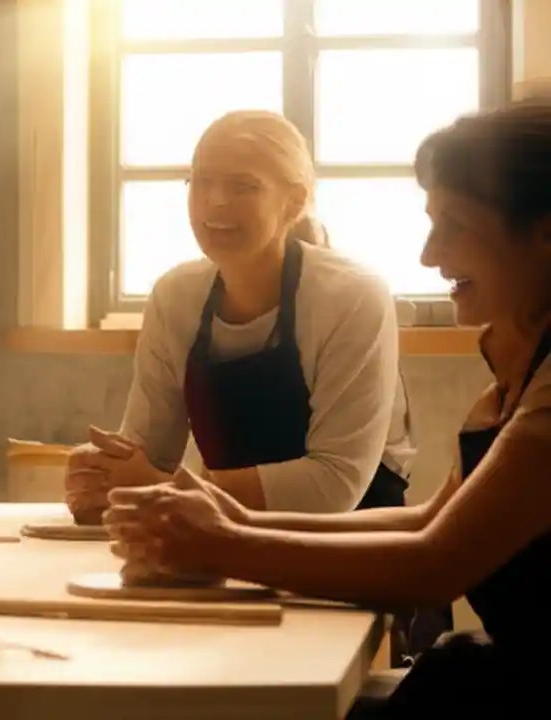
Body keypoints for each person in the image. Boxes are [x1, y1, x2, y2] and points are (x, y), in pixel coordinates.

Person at [105, 101, 551, 717]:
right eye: (202, 182)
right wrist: (232, 521)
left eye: (455, 226)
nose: (427, 255)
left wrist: (222, 543)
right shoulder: (518, 372)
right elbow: (430, 521)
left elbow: (435, 564)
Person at [66, 110, 415, 524]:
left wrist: (161, 487)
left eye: (243, 186)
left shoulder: (351, 295)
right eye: (201, 181)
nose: (215, 201)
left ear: (295, 202)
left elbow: (335, 485)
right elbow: (144, 458)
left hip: (349, 550)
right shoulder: (175, 296)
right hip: (223, 540)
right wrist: (101, 475)